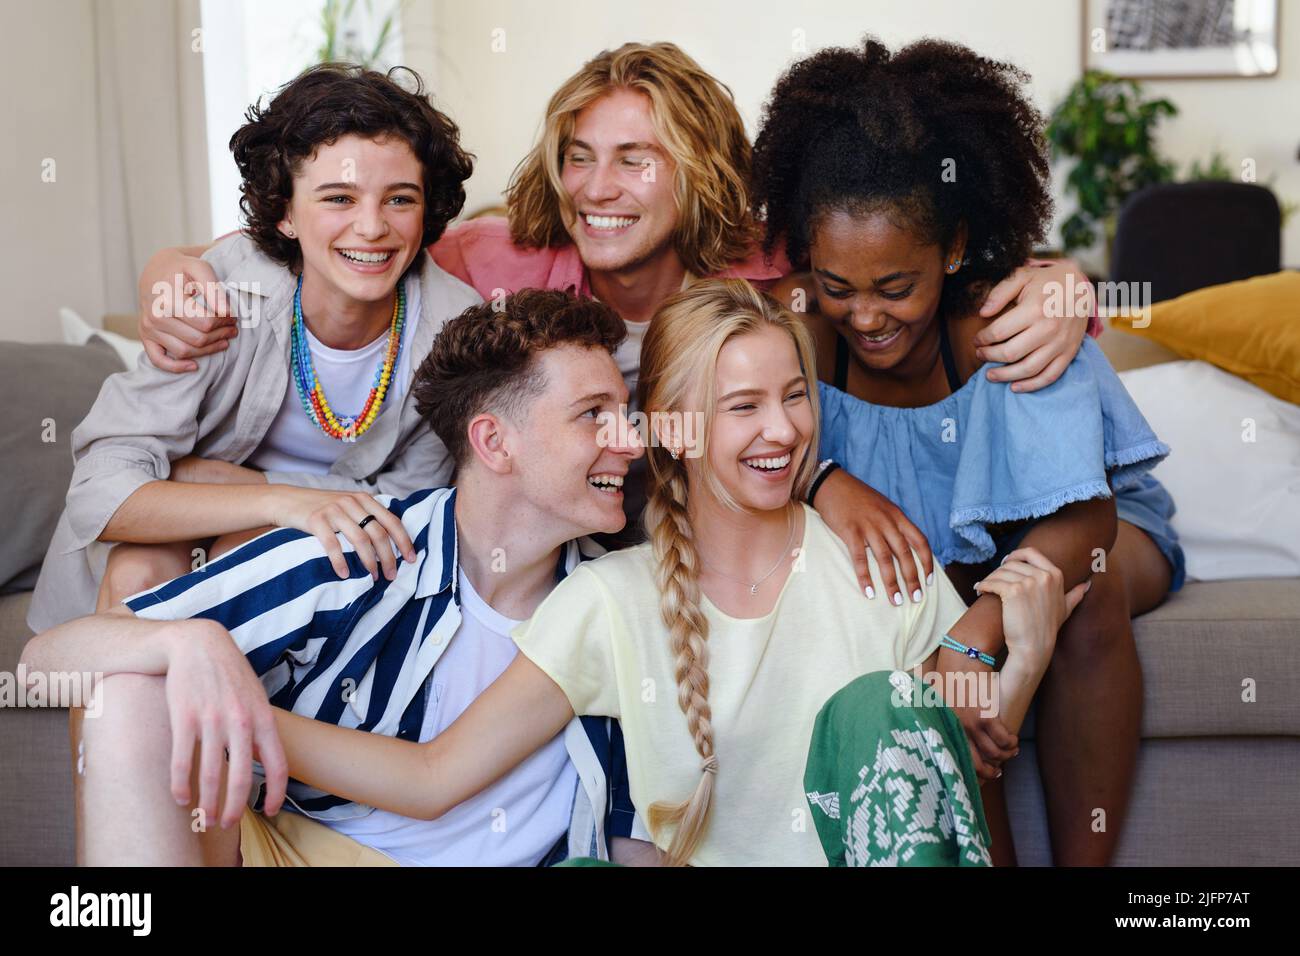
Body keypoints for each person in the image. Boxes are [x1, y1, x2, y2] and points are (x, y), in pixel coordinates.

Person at [135, 42, 1099, 606]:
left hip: (705, 532)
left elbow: (916, 269)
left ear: (697, 171)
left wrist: (1066, 285)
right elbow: (342, 229)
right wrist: (177, 263)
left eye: (636, 160)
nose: (598, 189)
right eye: (581, 156)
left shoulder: (767, 267)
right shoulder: (496, 261)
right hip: (556, 543)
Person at [190, 279, 1088, 867]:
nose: (781, 430)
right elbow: (434, 779)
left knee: (873, 706)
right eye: (742, 407)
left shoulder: (876, 560)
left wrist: (1021, 657)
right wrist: (238, 711)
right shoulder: (607, 600)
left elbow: (948, 783)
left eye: (794, 397)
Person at [21, 290, 655, 866]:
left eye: (623, 413)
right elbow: (44, 662)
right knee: (133, 690)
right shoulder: (361, 551)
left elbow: (635, 832)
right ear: (493, 442)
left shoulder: (615, 602)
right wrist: (187, 643)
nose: (629, 441)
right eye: (593, 414)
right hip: (303, 853)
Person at [752, 37, 1184, 865]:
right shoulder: (793, 322)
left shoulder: (1007, 324)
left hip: (1088, 526)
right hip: (952, 550)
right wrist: (827, 479)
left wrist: (975, 633)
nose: (867, 316)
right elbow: (696, 401)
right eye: (840, 285)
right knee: (927, 623)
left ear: (951, 250)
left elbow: (1084, 520)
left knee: (1070, 598)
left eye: (896, 287)